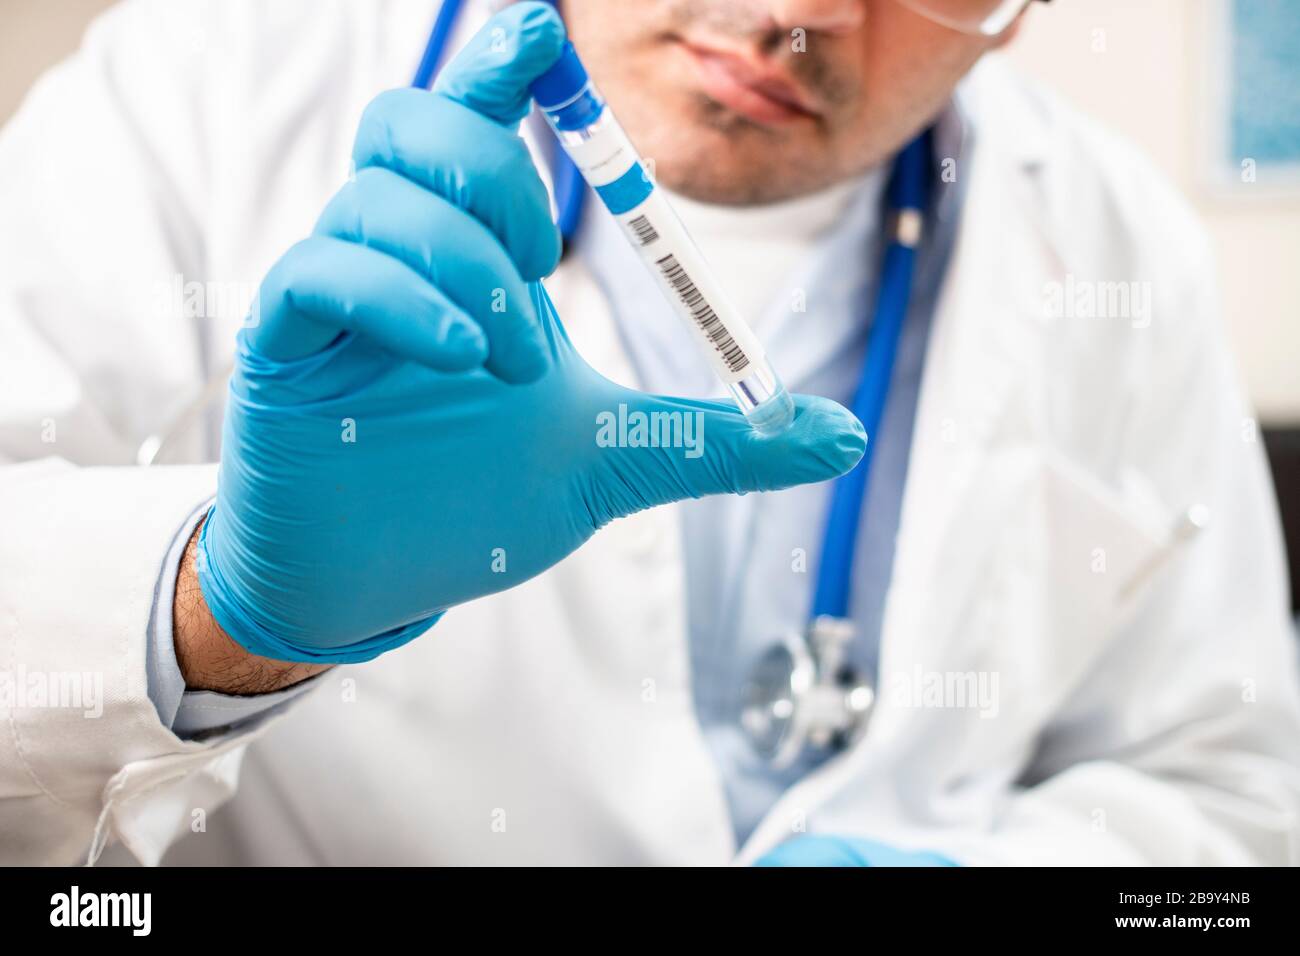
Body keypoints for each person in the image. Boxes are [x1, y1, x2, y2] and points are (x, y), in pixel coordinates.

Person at [1, 0, 1297, 867]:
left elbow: (1235, 791)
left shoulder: (1121, 248)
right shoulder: (195, 90)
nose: (802, 11)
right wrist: (226, 616)